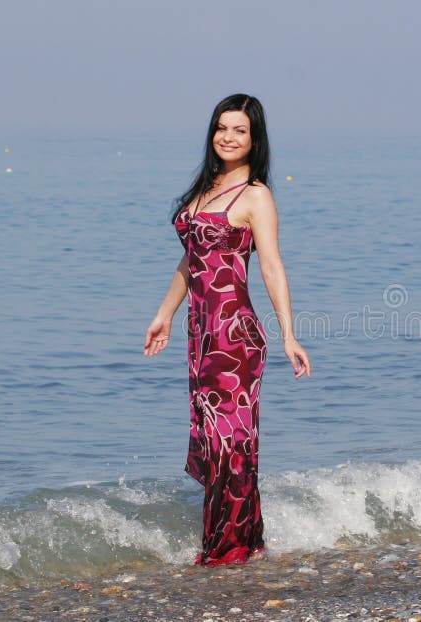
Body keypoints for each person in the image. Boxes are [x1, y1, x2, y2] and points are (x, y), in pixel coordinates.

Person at [143, 93, 312, 566]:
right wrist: (166, 314)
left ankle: (229, 549)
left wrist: (288, 335)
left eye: (239, 130)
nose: (228, 137)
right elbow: (192, 259)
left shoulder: (255, 196)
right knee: (215, 440)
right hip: (201, 333)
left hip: (234, 333)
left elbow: (272, 267)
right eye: (222, 127)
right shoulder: (205, 189)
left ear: (254, 139)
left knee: (230, 443)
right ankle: (241, 542)